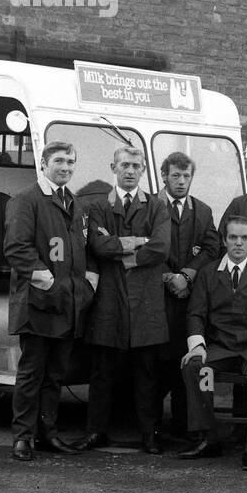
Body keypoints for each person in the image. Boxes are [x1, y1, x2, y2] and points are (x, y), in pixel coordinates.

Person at [4, 141, 97, 461]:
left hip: (68, 305)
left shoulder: (74, 203)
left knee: (56, 374)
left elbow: (82, 249)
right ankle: (22, 437)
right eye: (59, 161)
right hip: (38, 303)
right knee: (32, 372)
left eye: (71, 162)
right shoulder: (26, 200)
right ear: (43, 163)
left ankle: (48, 433)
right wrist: (51, 283)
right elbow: (17, 249)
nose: (66, 167)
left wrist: (85, 288)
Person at [78, 145, 171, 453]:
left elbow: (160, 247)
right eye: (125, 165)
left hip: (146, 300)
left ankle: (149, 434)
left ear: (143, 170)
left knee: (146, 372)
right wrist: (136, 242)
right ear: (113, 168)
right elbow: (97, 246)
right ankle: (96, 432)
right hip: (110, 298)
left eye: (136, 166)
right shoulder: (99, 206)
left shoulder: (157, 206)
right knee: (102, 371)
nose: (130, 171)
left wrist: (123, 254)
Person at [177, 216, 247, 470]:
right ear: (225, 240)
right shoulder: (208, 272)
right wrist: (198, 346)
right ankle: (208, 437)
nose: (239, 243)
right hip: (221, 348)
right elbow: (195, 313)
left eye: (245, 238)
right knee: (195, 367)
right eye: (233, 238)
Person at [157, 152, 221, 440]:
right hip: (157, 297)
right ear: (164, 176)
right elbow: (147, 245)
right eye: (175, 176)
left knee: (185, 359)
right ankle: (152, 428)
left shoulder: (203, 211)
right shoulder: (151, 206)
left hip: (188, 298)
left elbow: (211, 248)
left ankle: (183, 425)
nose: (181, 182)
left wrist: (187, 275)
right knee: (155, 363)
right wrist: (168, 276)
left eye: (186, 176)